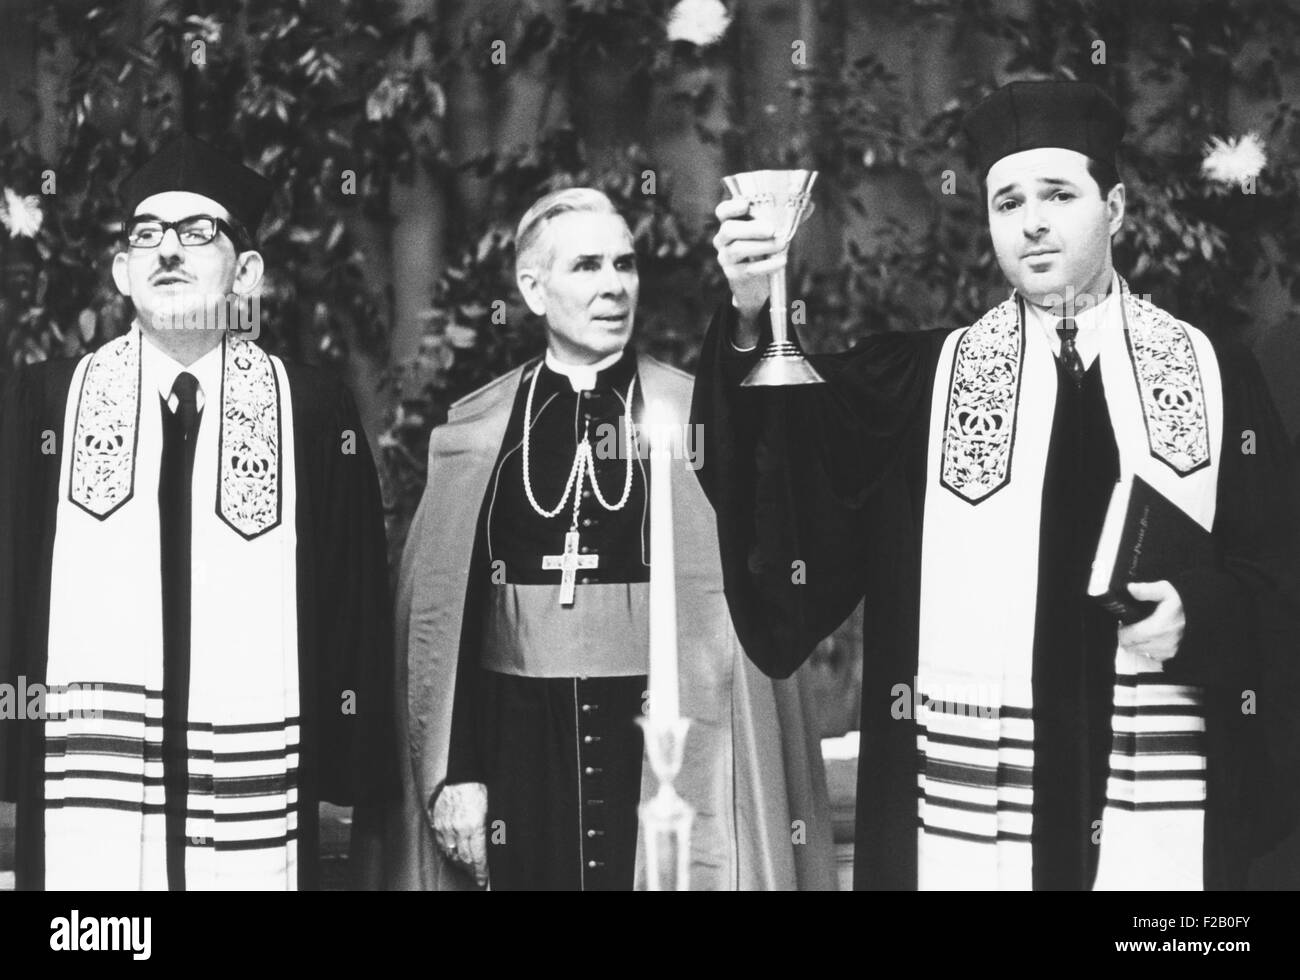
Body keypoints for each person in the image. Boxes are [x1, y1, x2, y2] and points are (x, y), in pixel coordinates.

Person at [693, 80, 1300, 890]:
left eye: (1059, 194)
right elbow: (779, 459)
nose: (1033, 221)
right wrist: (746, 311)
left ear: (1115, 208)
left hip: (1163, 797)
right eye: (1006, 200)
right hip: (969, 813)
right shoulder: (922, 383)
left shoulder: (1215, 377)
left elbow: (1280, 574)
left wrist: (1202, 612)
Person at [384, 187, 833, 891]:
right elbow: (445, 625)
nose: (614, 286)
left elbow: (770, 442)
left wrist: (750, 311)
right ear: (533, 289)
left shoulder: (693, 415)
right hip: (517, 747)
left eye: (624, 265)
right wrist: (457, 771)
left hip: (663, 738)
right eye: (587, 267)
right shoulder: (476, 434)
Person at [0, 134, 395, 890]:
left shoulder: (308, 409)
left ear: (246, 271)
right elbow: (12, 584)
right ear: (121, 270)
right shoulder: (48, 399)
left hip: (257, 780)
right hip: (89, 780)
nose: (166, 251)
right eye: (146, 235)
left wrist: (350, 760)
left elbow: (351, 597)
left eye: (196, 232)